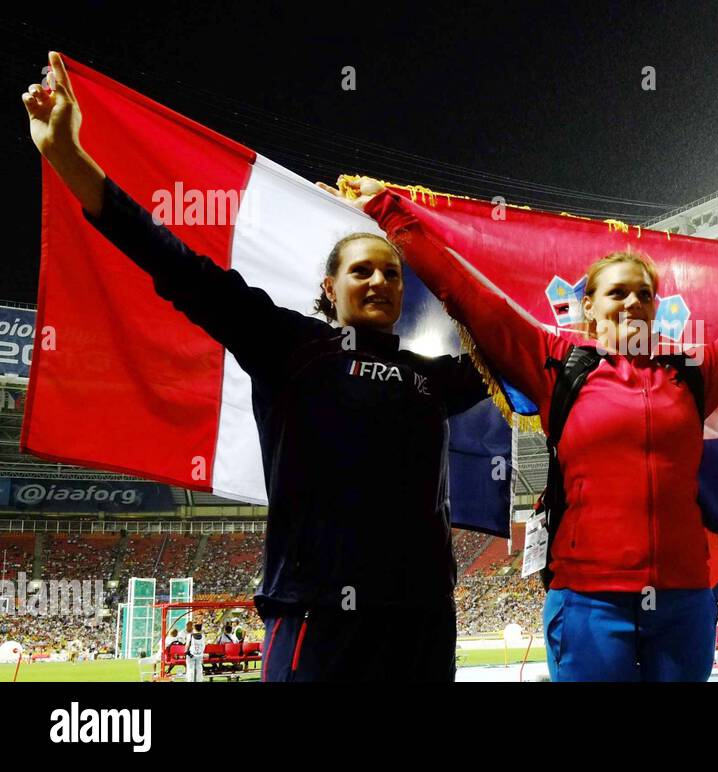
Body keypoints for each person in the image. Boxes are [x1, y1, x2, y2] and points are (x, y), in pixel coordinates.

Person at [23, 52, 488, 682]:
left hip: (423, 620)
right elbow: (177, 266)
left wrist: (405, 221)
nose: (380, 280)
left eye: (393, 272)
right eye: (362, 270)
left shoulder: (436, 376)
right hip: (316, 617)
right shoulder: (289, 345)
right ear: (330, 285)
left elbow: (504, 332)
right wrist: (69, 159)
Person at [324, 177, 718, 681]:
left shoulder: (694, 371)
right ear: (588, 306)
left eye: (644, 293)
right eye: (617, 292)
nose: (633, 301)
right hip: (589, 599)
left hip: (683, 597)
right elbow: (469, 296)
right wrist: (389, 211)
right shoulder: (554, 359)